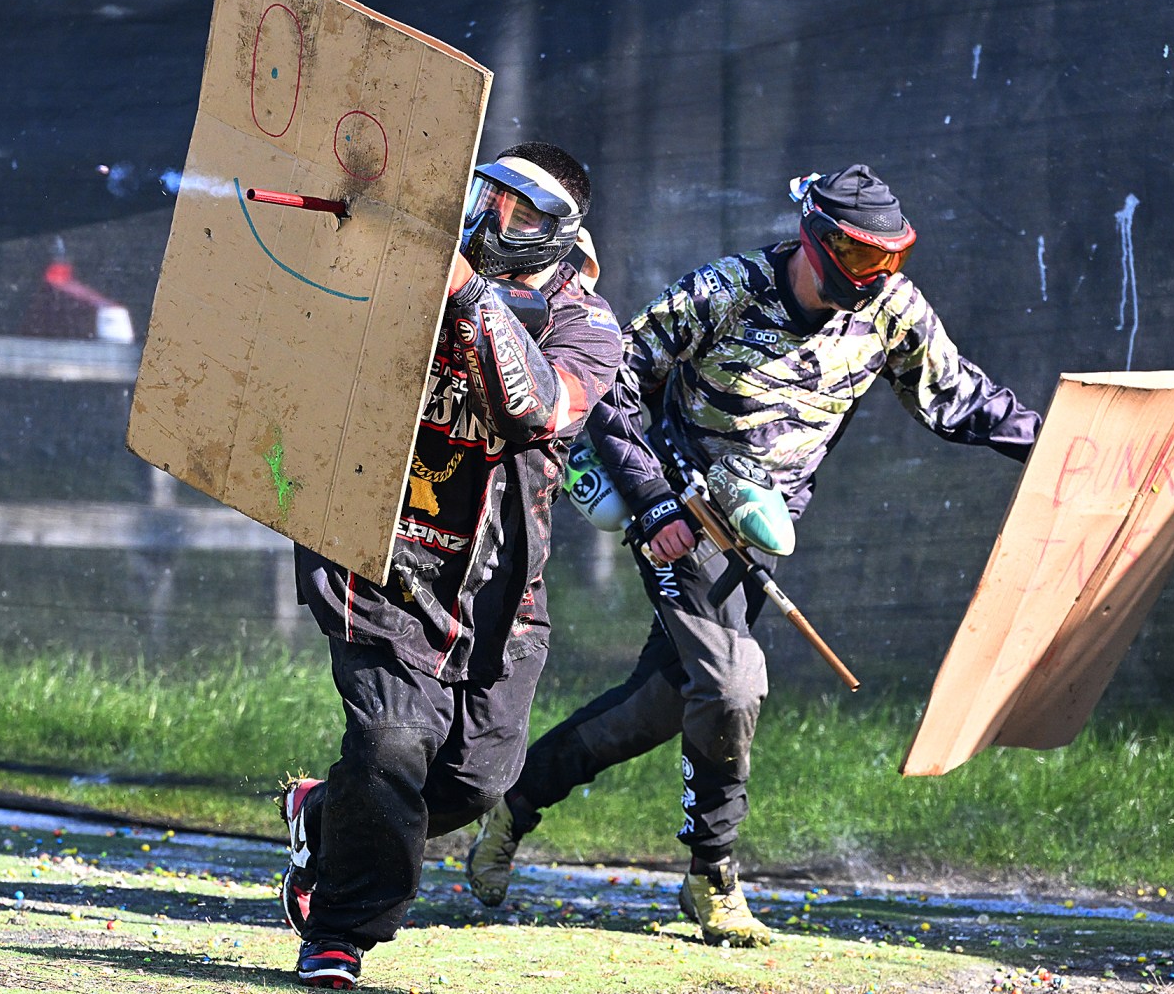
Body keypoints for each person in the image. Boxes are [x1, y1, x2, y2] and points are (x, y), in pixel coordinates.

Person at [465, 164, 1042, 947]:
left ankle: (518, 800)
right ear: (821, 241)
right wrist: (655, 500)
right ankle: (713, 872)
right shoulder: (729, 290)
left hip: (759, 530)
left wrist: (1060, 449)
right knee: (735, 684)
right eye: (865, 259)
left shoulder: (891, 313)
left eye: (891, 261)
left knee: (665, 701)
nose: (877, 279)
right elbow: (610, 375)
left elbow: (960, 399)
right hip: (680, 510)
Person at [279, 141, 622, 989]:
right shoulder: (407, 276)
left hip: (501, 590)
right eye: (489, 196)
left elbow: (537, 405)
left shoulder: (588, 327)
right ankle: (340, 931)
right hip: (383, 560)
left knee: (471, 781)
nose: (497, 221)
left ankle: (326, 811)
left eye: (525, 213)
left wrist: (466, 292)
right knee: (394, 741)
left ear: (562, 232)